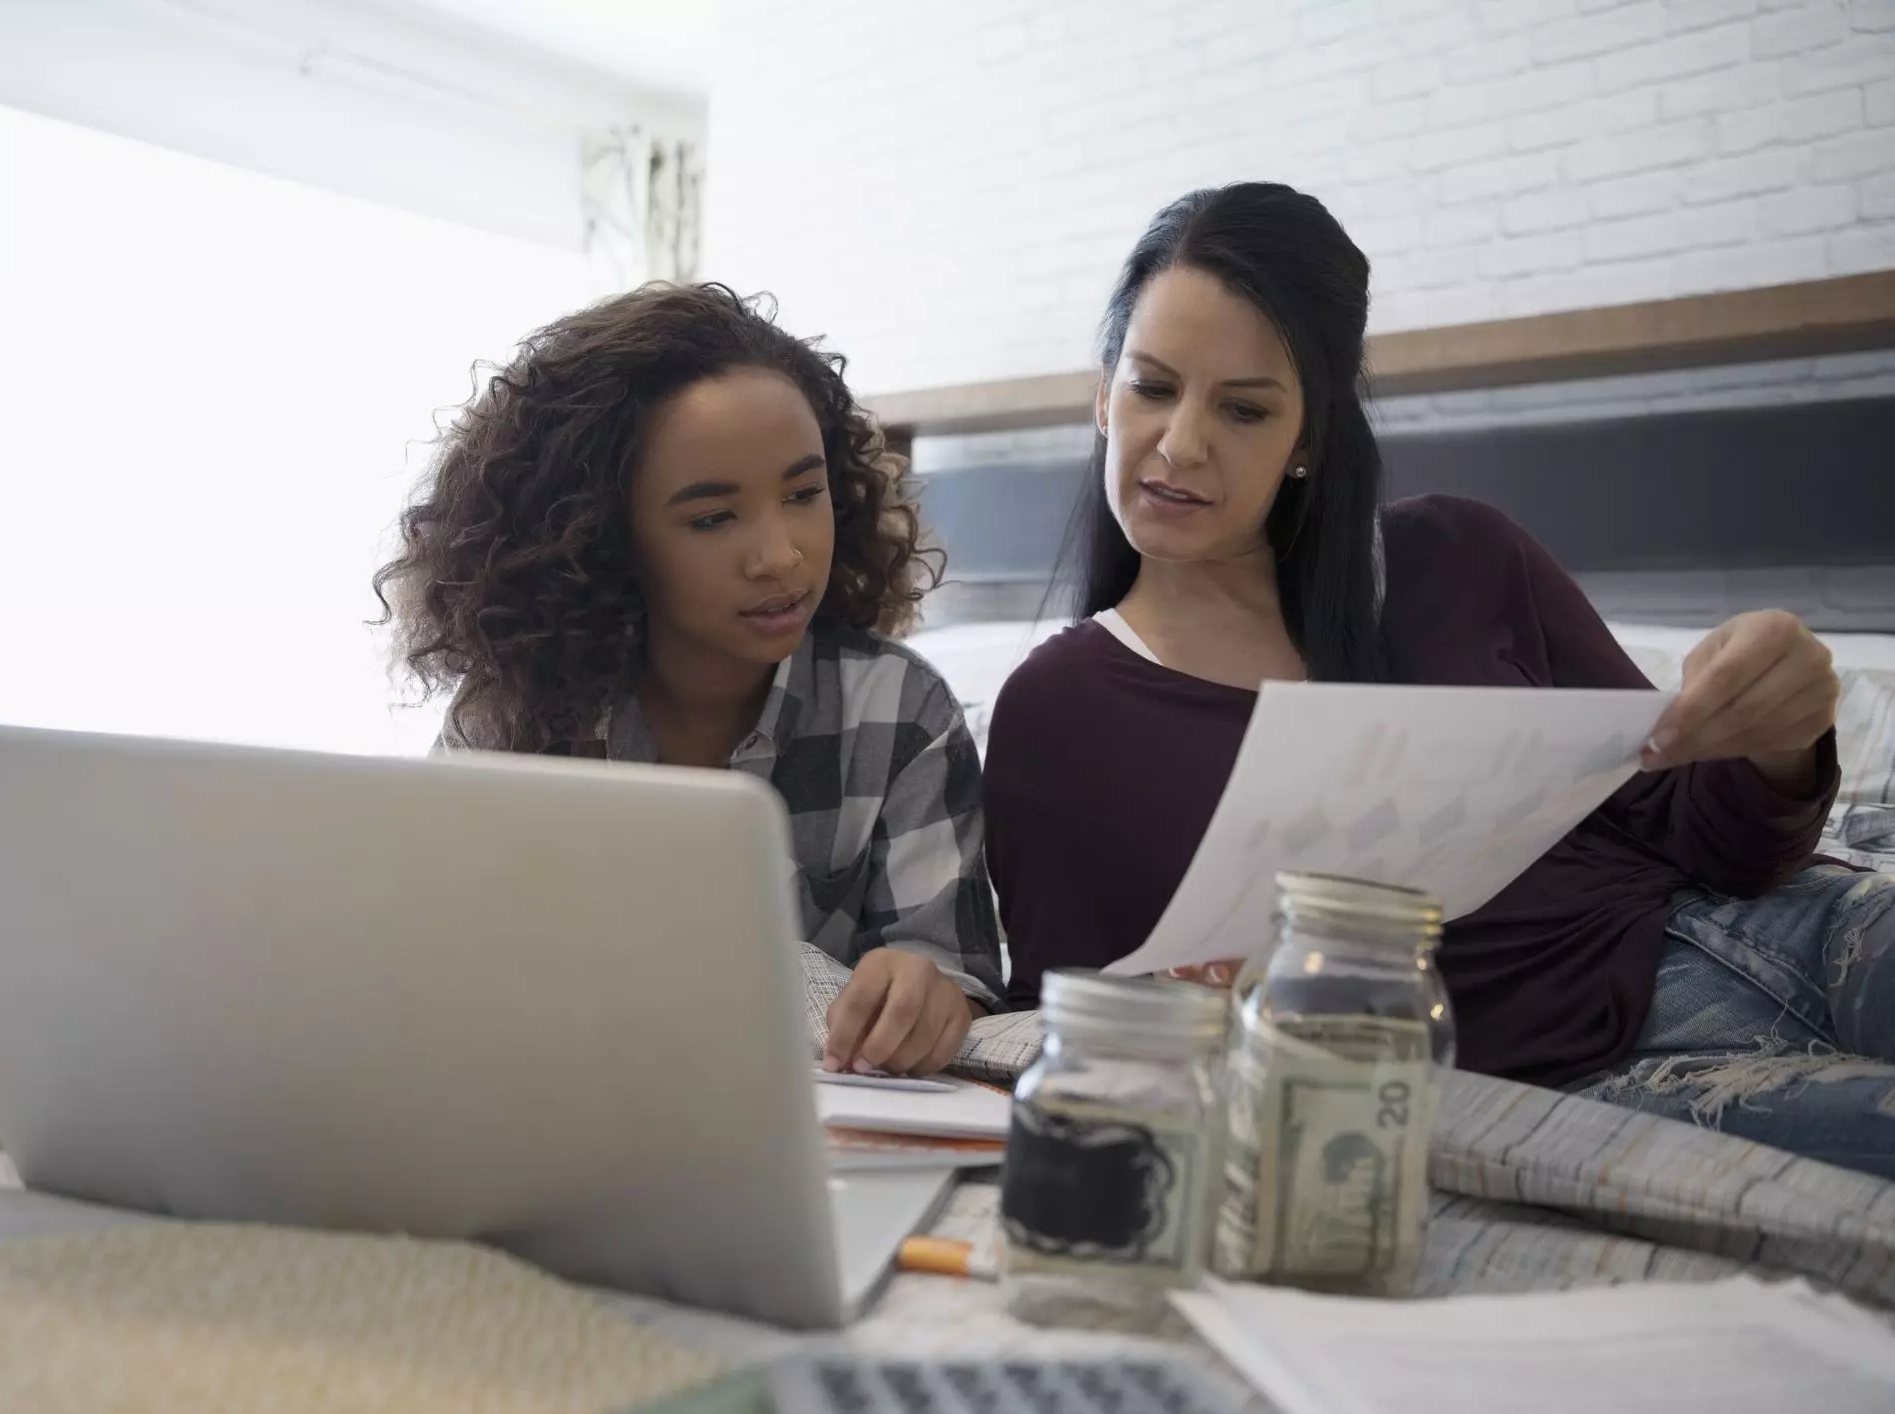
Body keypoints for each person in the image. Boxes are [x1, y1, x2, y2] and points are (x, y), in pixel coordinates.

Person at [982, 182, 1895, 1177]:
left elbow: (1703, 832)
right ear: (1102, 392)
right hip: (1579, 1077)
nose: (1183, 441)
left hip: (1772, 922)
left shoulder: (1460, 555)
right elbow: (1066, 1027)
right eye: (1152, 386)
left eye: (1244, 409)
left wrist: (1781, 737)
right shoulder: (1060, 713)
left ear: (1309, 444)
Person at [374, 282, 1003, 1076]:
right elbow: (424, 966)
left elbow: (955, 974)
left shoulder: (902, 711)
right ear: (600, 540)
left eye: (804, 494)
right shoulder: (509, 723)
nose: (779, 555)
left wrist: (931, 994)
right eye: (712, 518)